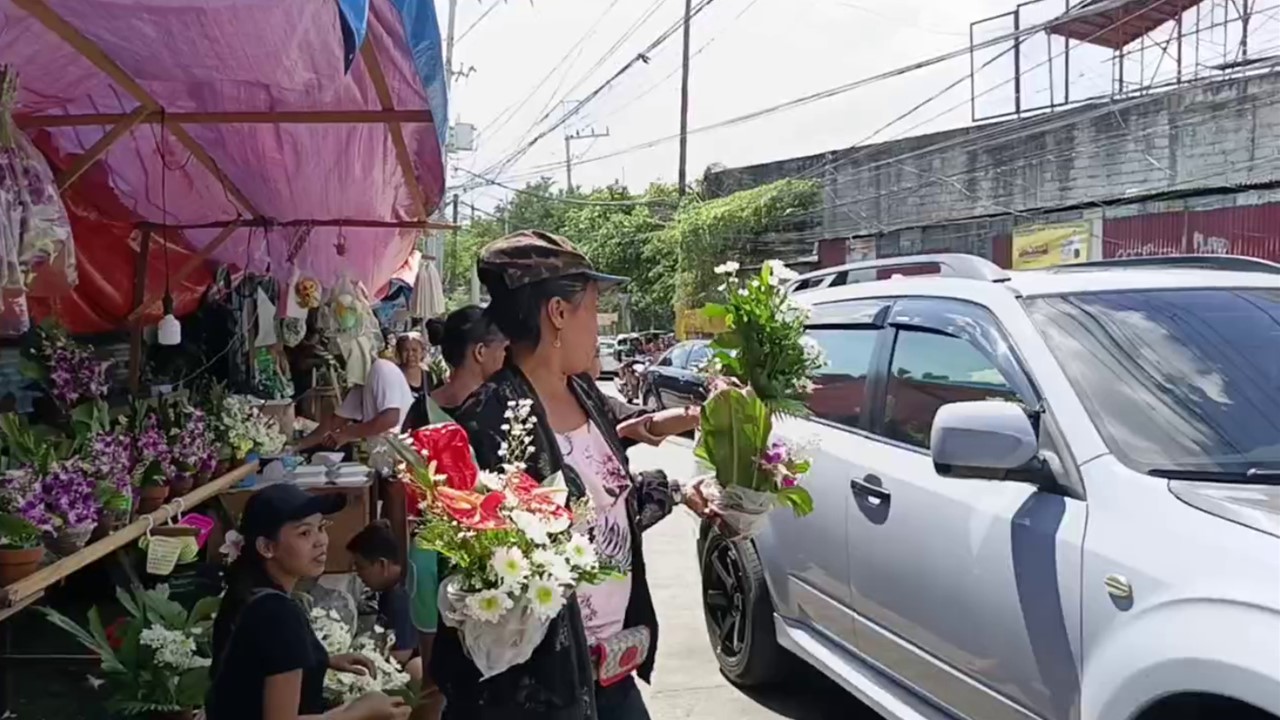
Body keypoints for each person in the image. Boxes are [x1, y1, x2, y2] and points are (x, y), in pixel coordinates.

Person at [433, 230, 712, 720]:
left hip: (611, 674)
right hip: (539, 694)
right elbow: (475, 573)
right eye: (593, 307)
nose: (599, 327)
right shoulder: (488, 422)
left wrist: (682, 491)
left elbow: (607, 511)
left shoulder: (587, 399)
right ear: (557, 314)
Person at [207, 483, 411, 720]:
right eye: (304, 533)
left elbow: (260, 665)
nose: (321, 541)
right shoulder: (277, 614)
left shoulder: (246, 591)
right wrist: (358, 713)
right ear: (266, 547)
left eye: (321, 528)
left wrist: (321, 660)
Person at [347, 521, 423, 687]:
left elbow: (400, 655)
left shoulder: (399, 598)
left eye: (360, 567)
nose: (358, 574)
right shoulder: (390, 591)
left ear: (382, 564)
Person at [296, 357, 415, 456]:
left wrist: (349, 433)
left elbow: (390, 418)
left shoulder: (381, 369)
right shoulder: (361, 383)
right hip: (382, 454)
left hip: (402, 451)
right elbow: (333, 422)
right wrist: (297, 446)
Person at [426, 305, 507, 415]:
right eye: (504, 349)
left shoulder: (422, 406)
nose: (506, 355)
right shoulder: (494, 412)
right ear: (480, 352)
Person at [396, 333, 432, 431]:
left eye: (414, 350)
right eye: (406, 350)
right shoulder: (394, 375)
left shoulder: (429, 376)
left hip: (424, 431)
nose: (410, 354)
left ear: (422, 352)